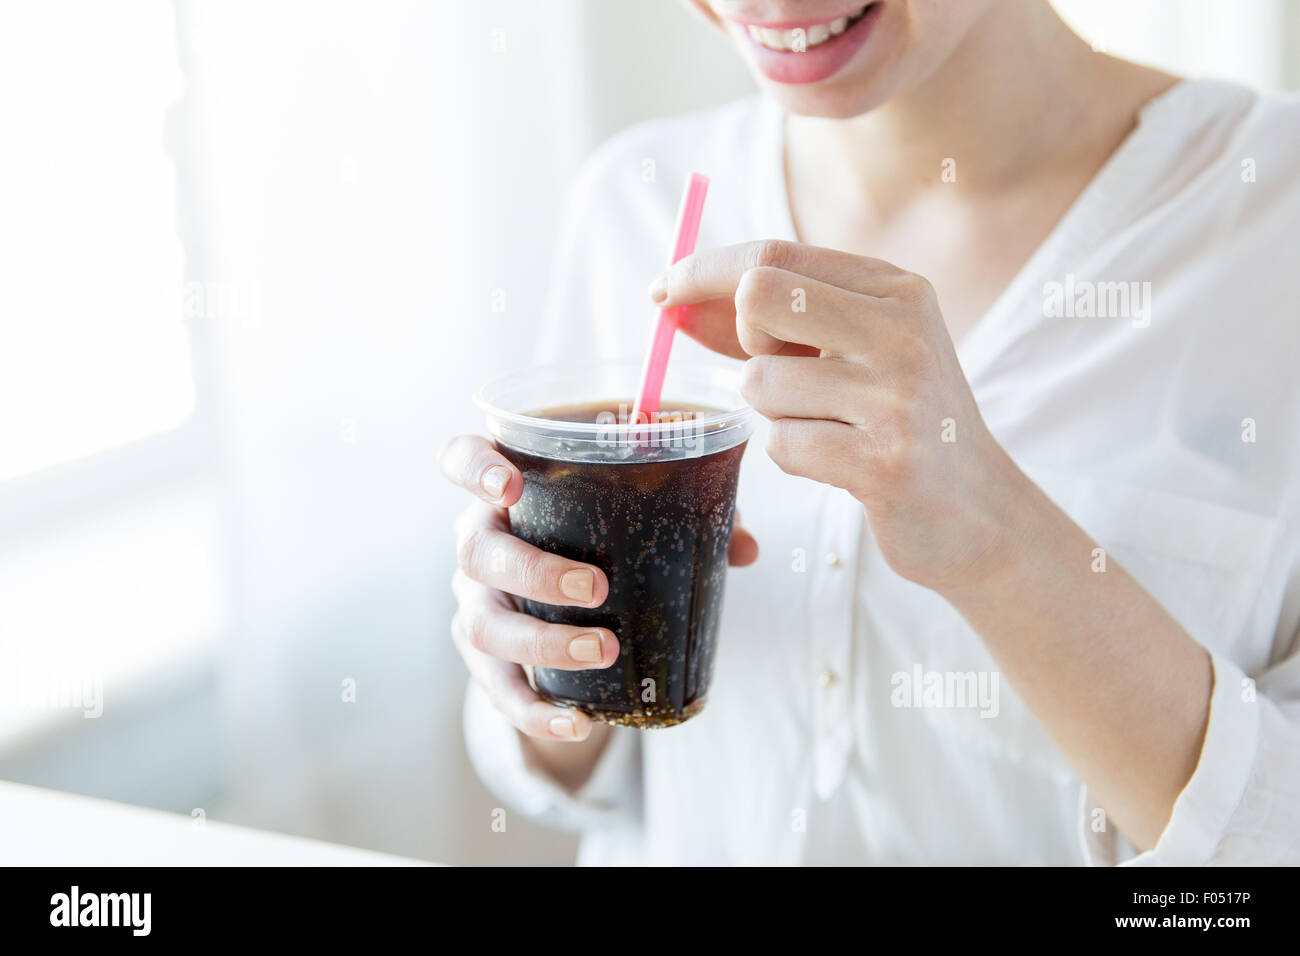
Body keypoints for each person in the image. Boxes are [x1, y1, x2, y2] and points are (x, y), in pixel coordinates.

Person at [438, 0, 1300, 864]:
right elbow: (592, 767)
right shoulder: (635, 198)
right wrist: (542, 651)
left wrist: (994, 532)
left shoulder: (1273, 221)